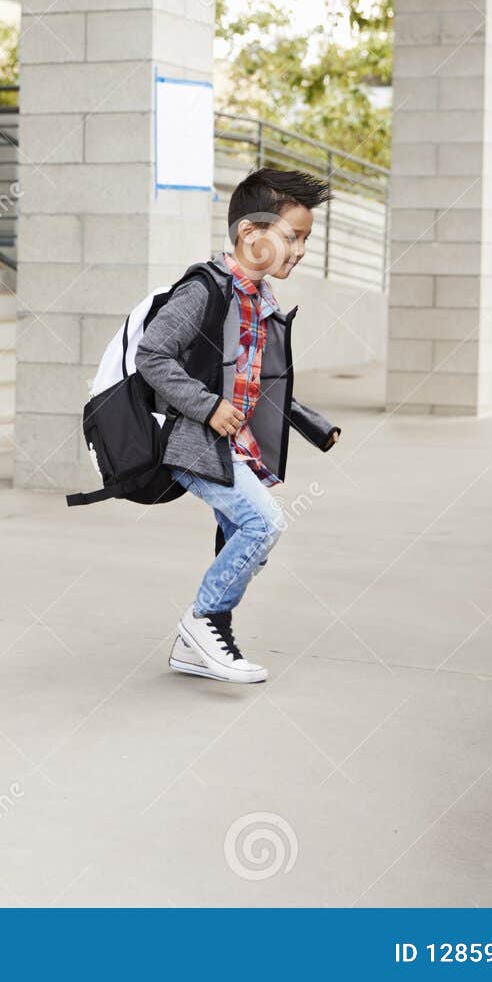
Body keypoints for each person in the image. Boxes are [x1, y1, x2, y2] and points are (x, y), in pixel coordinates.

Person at [135, 168, 342, 683]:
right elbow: (152, 355)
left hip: (237, 444)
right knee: (263, 525)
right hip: (197, 441)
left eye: (306, 240)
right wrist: (206, 406)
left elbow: (263, 383)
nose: (299, 250)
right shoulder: (205, 291)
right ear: (250, 233)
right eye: (292, 236)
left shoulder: (259, 298)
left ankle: (200, 646)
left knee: (245, 543)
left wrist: (313, 426)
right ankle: (200, 624)